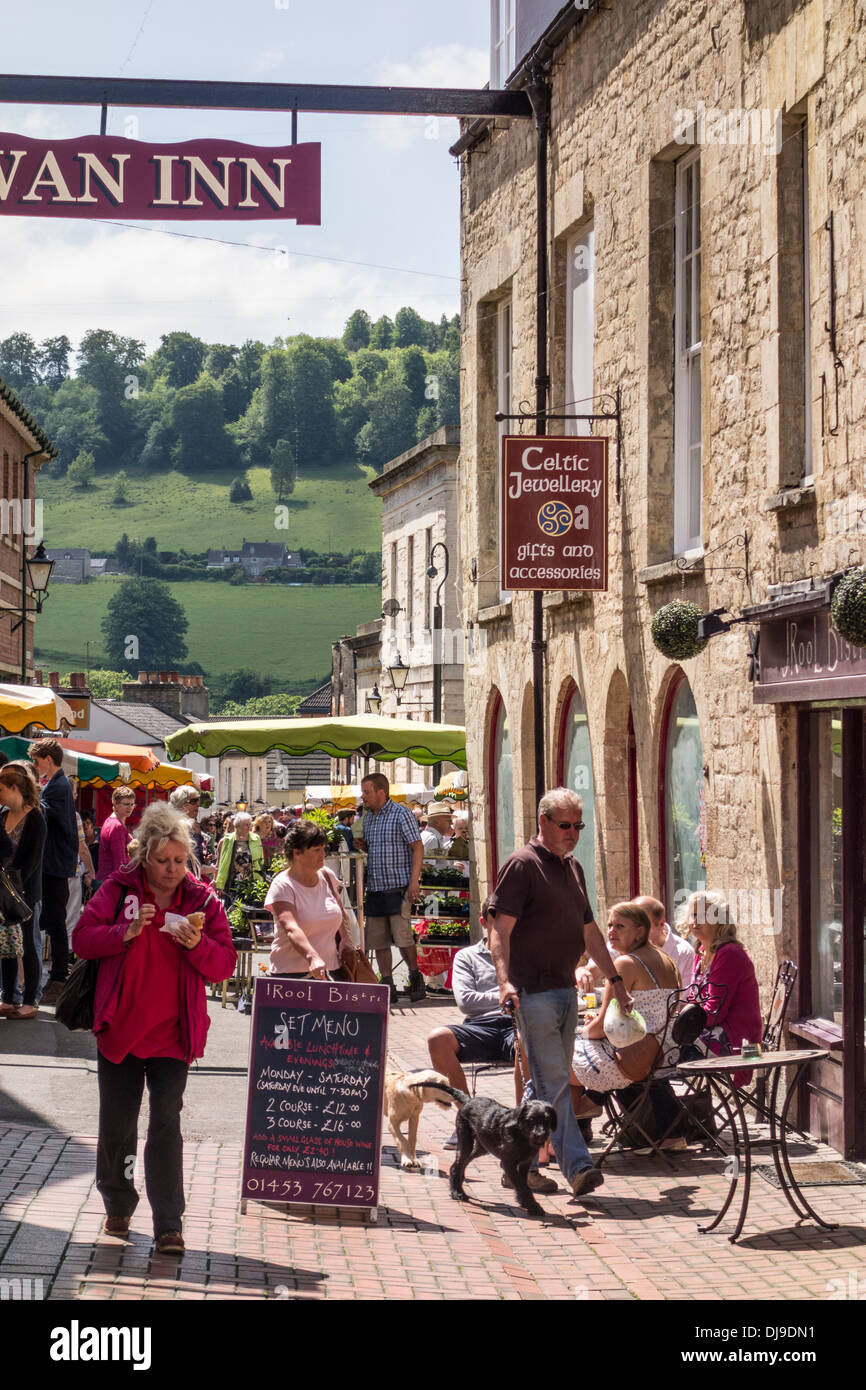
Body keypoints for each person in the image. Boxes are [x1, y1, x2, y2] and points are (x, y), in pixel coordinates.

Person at [72, 803, 236, 1255]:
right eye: (163, 860)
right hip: (120, 1030)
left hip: (173, 1035)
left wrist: (198, 944)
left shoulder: (202, 901)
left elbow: (224, 965)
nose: (171, 870)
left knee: (166, 1125)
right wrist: (122, 933)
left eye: (179, 861)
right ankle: (119, 1204)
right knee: (118, 1127)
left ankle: (169, 1223)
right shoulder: (117, 891)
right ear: (144, 856)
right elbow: (82, 939)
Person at [487, 787, 634, 1199]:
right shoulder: (522, 865)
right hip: (531, 993)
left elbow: (589, 932)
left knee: (542, 1085)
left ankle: (519, 1166)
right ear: (543, 822)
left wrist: (616, 982)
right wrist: (504, 981)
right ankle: (579, 1166)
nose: (573, 833)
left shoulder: (573, 869)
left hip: (564, 991)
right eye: (565, 825)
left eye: (578, 826)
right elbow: (500, 930)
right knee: (554, 1081)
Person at [571, 902, 683, 1148]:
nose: (611, 931)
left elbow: (602, 1026)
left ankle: (574, 1127)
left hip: (636, 1057)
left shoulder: (624, 964)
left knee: (564, 1055)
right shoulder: (666, 959)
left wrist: (582, 1030)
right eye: (610, 925)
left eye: (620, 926)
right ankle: (592, 1105)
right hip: (666, 1052)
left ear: (640, 931)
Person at [354, 772, 425, 1005]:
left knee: (403, 938)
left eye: (367, 792)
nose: (362, 796)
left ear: (381, 792)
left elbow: (417, 847)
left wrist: (414, 882)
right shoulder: (369, 818)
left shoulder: (401, 814)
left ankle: (415, 976)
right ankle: (387, 983)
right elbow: (371, 849)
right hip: (375, 887)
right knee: (378, 941)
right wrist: (362, 845)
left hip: (398, 886)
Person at [680, 890, 762, 1084]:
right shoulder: (701, 951)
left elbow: (715, 1011)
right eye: (693, 915)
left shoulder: (729, 953)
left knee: (662, 1050)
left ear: (720, 921)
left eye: (704, 916)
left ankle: (671, 1111)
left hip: (742, 1045)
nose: (695, 921)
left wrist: (681, 1023)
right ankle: (673, 1110)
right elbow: (695, 999)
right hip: (713, 1030)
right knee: (654, 1047)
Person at [264, 819, 350, 978]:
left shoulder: (327, 876)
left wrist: (346, 939)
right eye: (317, 850)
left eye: (324, 848)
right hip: (291, 975)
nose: (323, 854)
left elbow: (340, 910)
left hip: (331, 971)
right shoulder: (282, 885)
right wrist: (312, 956)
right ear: (297, 853)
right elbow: (291, 928)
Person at [30, 739, 79, 1001]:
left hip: (54, 865)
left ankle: (58, 978)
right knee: (52, 921)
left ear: (49, 759)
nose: (35, 767)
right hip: (57, 864)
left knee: (54, 922)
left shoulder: (56, 787)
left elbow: (42, 816)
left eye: (37, 762)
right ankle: (56, 976)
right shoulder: (59, 784)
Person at [0, 763, 47, 1020]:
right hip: (3, 891)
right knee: (6, 944)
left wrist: (11, 886)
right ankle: (8, 997)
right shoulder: (2, 814)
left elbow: (31, 862)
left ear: (15, 788)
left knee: (27, 944)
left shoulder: (36, 817)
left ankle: (30, 1000)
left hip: (25, 892)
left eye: (1, 788)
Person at [634, 894, 695, 988]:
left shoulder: (683, 952)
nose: (635, 928)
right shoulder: (619, 946)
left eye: (641, 922)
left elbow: (685, 996)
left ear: (661, 923)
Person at [66, 806, 96, 951]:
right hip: (71, 871)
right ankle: (66, 958)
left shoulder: (46, 809)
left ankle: (56, 961)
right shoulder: (73, 815)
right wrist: (92, 872)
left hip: (51, 872)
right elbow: (82, 847)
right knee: (71, 917)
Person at [213, 811, 263, 897]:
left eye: (250, 824)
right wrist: (217, 882)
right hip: (232, 883)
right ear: (238, 825)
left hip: (252, 882)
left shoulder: (256, 839)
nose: (249, 827)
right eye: (246, 824)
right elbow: (219, 863)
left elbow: (261, 860)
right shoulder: (226, 840)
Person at [98, 786, 136, 883]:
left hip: (107, 880)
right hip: (112, 882)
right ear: (115, 803)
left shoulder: (110, 821)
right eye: (126, 804)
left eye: (132, 804)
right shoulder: (117, 826)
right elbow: (120, 864)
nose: (130, 807)